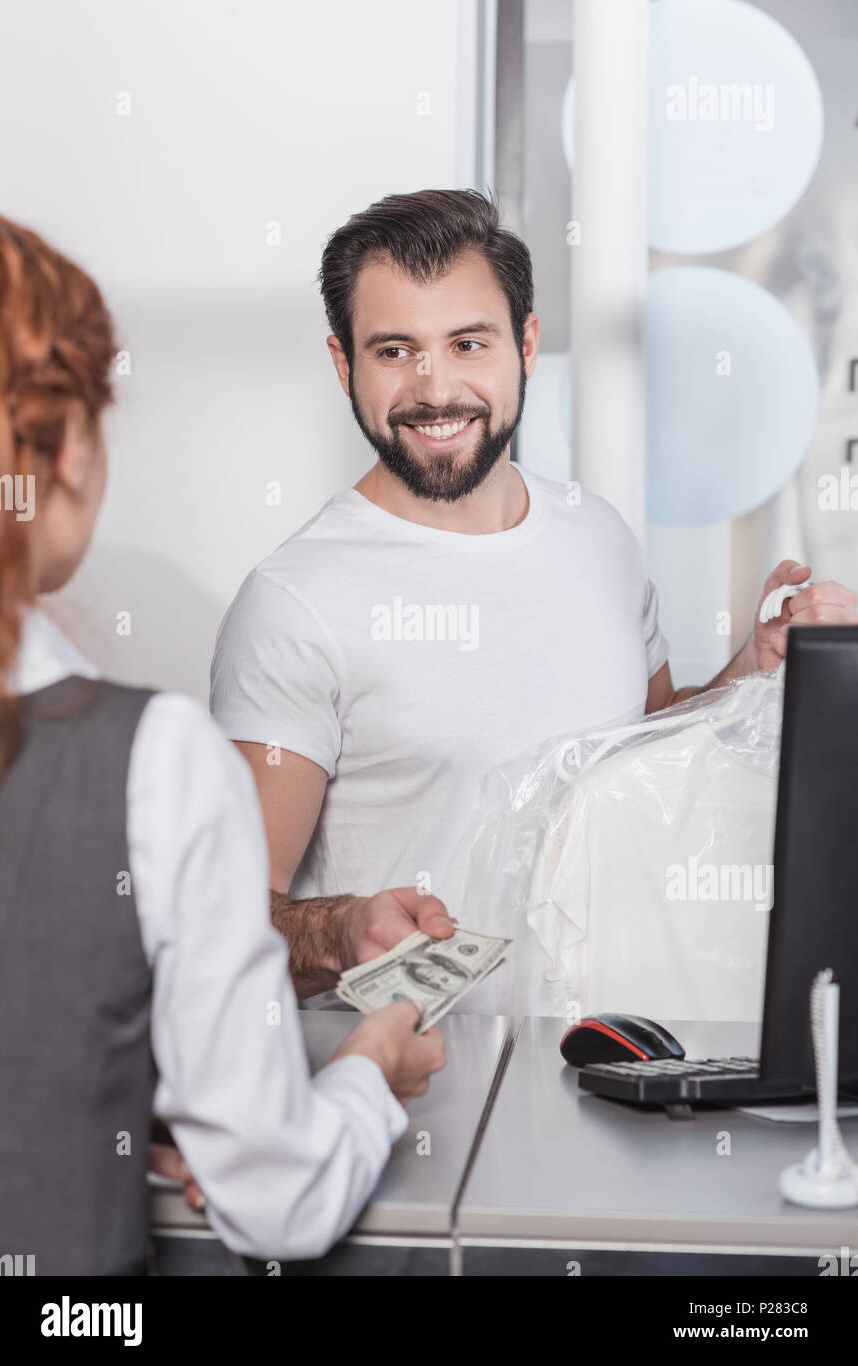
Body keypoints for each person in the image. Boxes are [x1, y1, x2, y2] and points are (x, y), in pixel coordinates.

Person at [210, 187, 858, 1012]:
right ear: (344, 365)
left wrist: (750, 667)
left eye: (468, 343)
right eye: (394, 350)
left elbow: (636, 756)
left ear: (526, 343)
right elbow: (225, 922)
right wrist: (340, 929)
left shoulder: (597, 537)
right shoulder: (292, 603)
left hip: (617, 1071)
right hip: (415, 1106)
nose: (434, 388)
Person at [0, 210, 446, 1276]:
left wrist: (132, 1086)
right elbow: (276, 1201)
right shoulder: (145, 763)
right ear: (64, 449)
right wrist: (370, 1064)